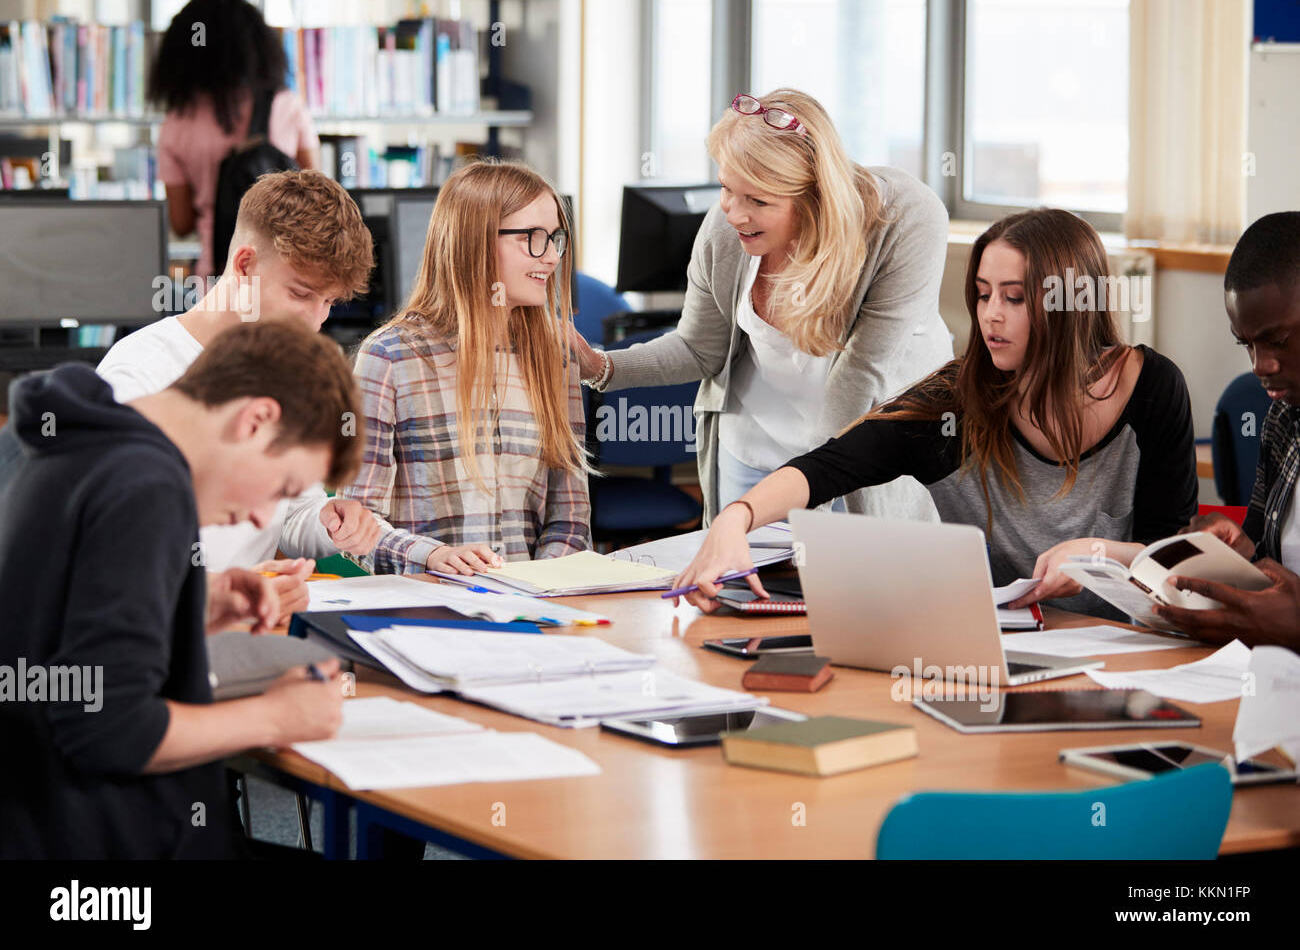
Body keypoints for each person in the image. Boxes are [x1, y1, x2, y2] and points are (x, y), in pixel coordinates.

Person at [673, 208, 1197, 616]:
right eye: (983, 294)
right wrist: (734, 520)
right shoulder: (959, 401)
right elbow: (830, 466)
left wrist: (1098, 552)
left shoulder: (1151, 389)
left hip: (1131, 652)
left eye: (1014, 298)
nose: (991, 315)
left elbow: (1173, 550)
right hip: (1003, 652)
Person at [0, 321, 357, 858]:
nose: (262, 515)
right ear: (256, 420)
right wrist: (278, 718)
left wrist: (185, 606)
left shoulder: (53, 438)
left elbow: (51, 629)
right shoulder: (147, 487)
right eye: (281, 487)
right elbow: (107, 730)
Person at [570, 89, 952, 523]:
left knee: (842, 587)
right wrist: (599, 366)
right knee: (739, 588)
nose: (733, 213)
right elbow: (699, 349)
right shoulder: (726, 228)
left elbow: (862, 374)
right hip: (750, 450)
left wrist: (811, 503)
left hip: (850, 455)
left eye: (758, 201)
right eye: (726, 189)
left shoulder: (904, 218)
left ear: (815, 199)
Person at [96, 169, 380, 621]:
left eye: (328, 302)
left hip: (251, 623)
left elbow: (290, 511)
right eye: (301, 293)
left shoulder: (288, 369)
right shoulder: (137, 375)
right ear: (244, 265)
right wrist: (218, 595)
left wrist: (328, 522)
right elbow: (115, 557)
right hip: (174, 626)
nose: (315, 320)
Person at [341, 160, 590, 575]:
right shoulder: (389, 359)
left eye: (556, 239)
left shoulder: (555, 355)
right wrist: (432, 557)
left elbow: (571, 521)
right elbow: (357, 524)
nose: (550, 257)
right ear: (473, 243)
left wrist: (537, 581)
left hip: (530, 609)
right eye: (532, 238)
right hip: (426, 609)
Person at [1156, 211, 1300, 650]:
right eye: (1247, 344)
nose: (1261, 365)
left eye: (1278, 340)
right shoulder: (1282, 420)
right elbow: (1268, 568)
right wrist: (1240, 554)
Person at [148, 0, 320, 282]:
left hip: (218, 280)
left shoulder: (176, 123)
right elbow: (319, 197)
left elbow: (181, 223)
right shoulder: (287, 106)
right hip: (289, 279)